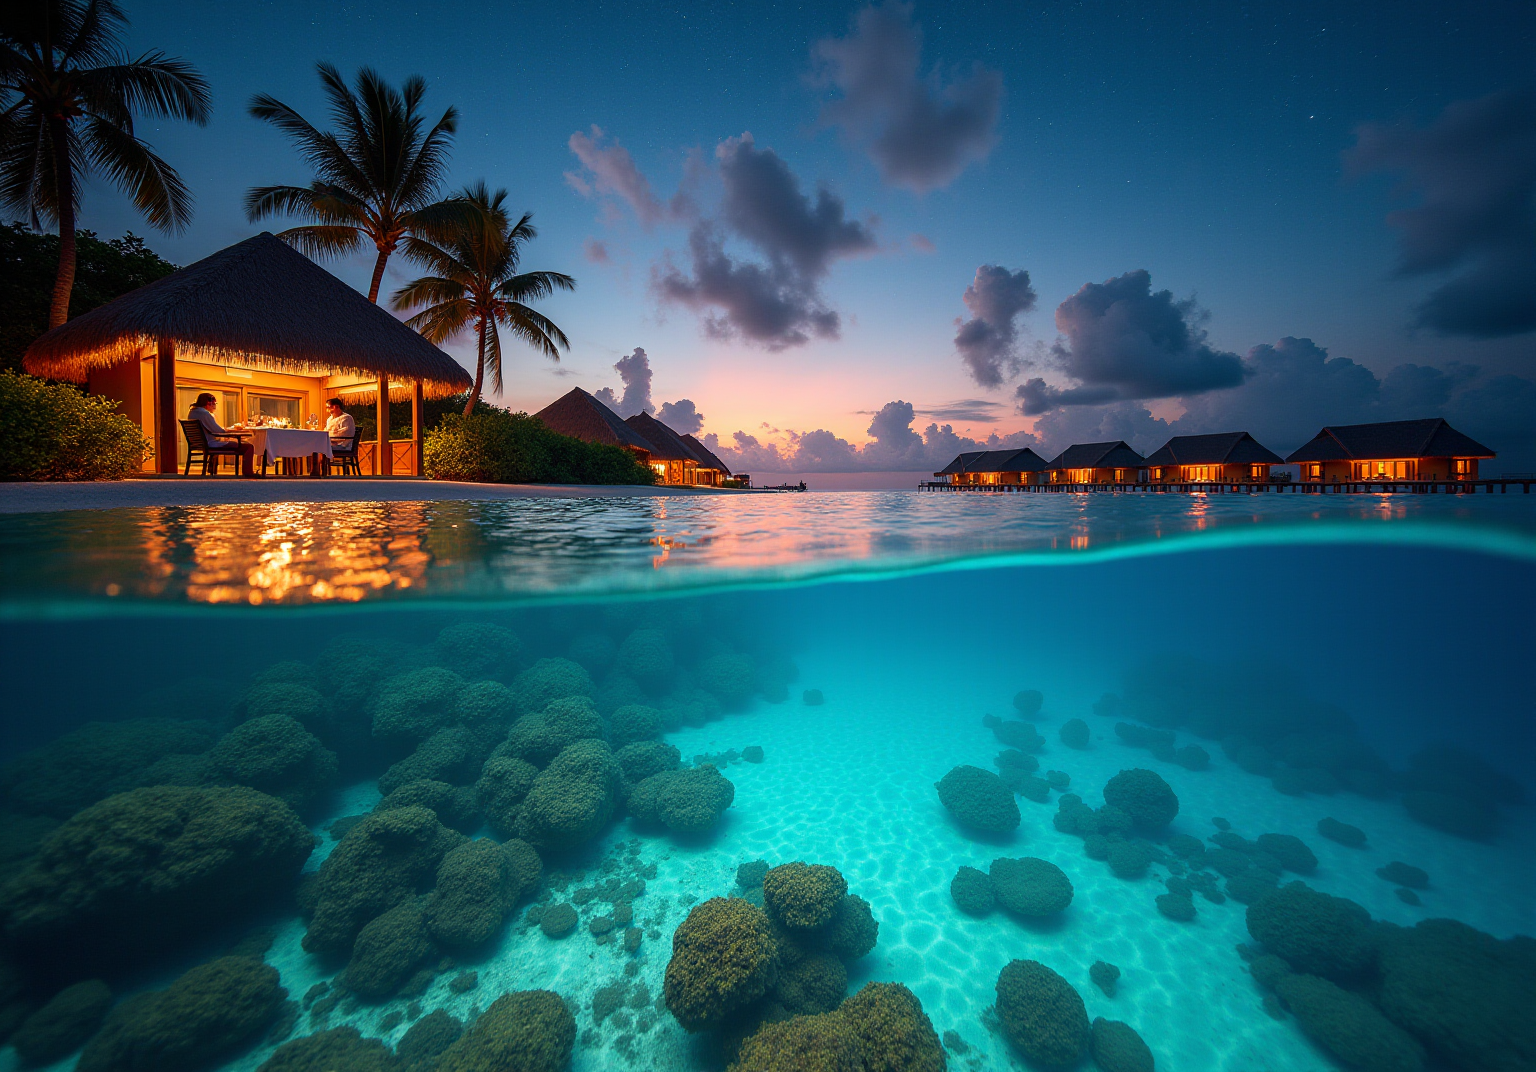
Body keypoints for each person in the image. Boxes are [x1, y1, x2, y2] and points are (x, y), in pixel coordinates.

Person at [187, 393, 257, 477]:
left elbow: (212, 429)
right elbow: (218, 431)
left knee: (230, 441)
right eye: (214, 404)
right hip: (210, 444)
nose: (214, 407)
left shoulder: (192, 413)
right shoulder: (205, 414)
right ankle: (248, 473)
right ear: (208, 403)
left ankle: (211, 467)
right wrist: (231, 430)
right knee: (248, 447)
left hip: (200, 443)